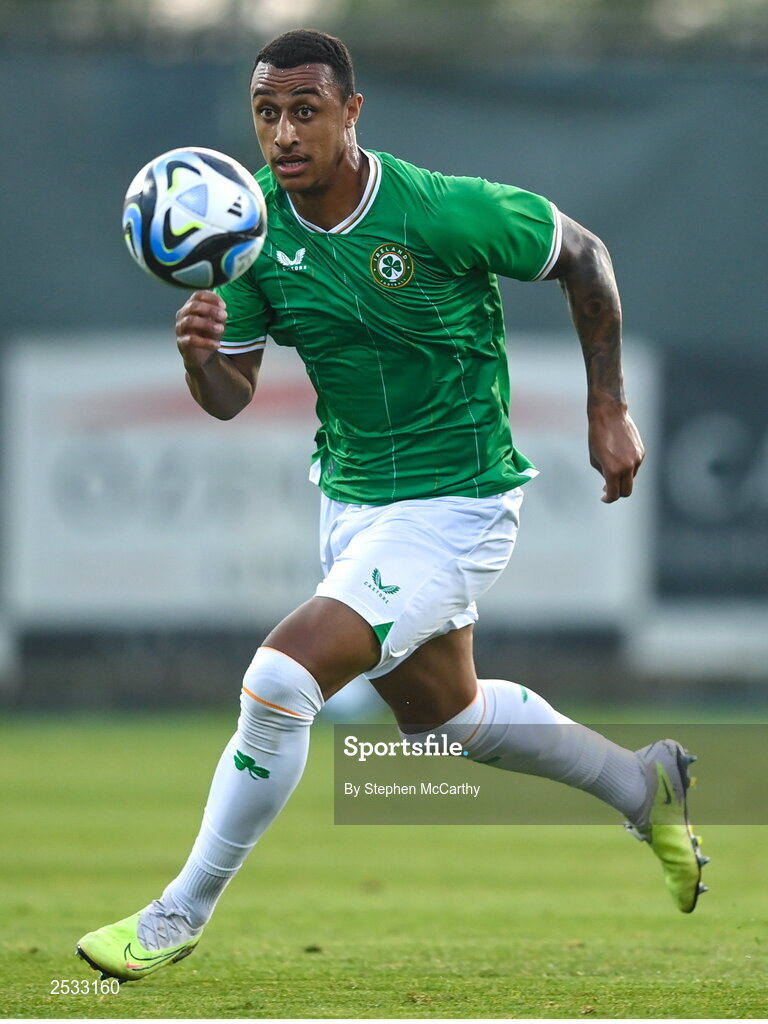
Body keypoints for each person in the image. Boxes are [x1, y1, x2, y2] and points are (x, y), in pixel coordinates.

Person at [77, 28, 707, 983]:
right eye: (266, 113)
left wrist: (607, 407)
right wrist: (201, 354)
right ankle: (640, 783)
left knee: (282, 680)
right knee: (447, 719)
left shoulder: (440, 211)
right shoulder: (248, 233)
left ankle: (179, 911)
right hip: (355, 504)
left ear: (351, 113)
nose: (282, 134)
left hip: (458, 504)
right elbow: (231, 395)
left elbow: (585, 255)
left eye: (304, 111)